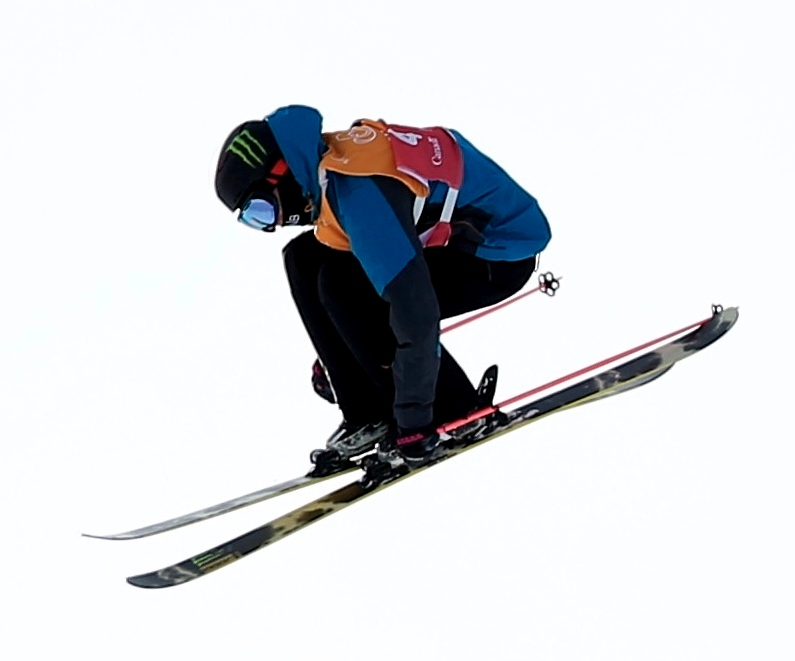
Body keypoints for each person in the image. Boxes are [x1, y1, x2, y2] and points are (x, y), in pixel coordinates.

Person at [210, 106, 554, 469]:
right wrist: (344, 354)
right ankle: (368, 412)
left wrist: (415, 420)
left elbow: (415, 313)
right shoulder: (333, 168)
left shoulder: (361, 193)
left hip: (497, 257)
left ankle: (457, 410)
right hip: (445, 239)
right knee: (305, 257)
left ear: (284, 170)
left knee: (344, 286)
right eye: (255, 221)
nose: (274, 224)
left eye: (262, 210)